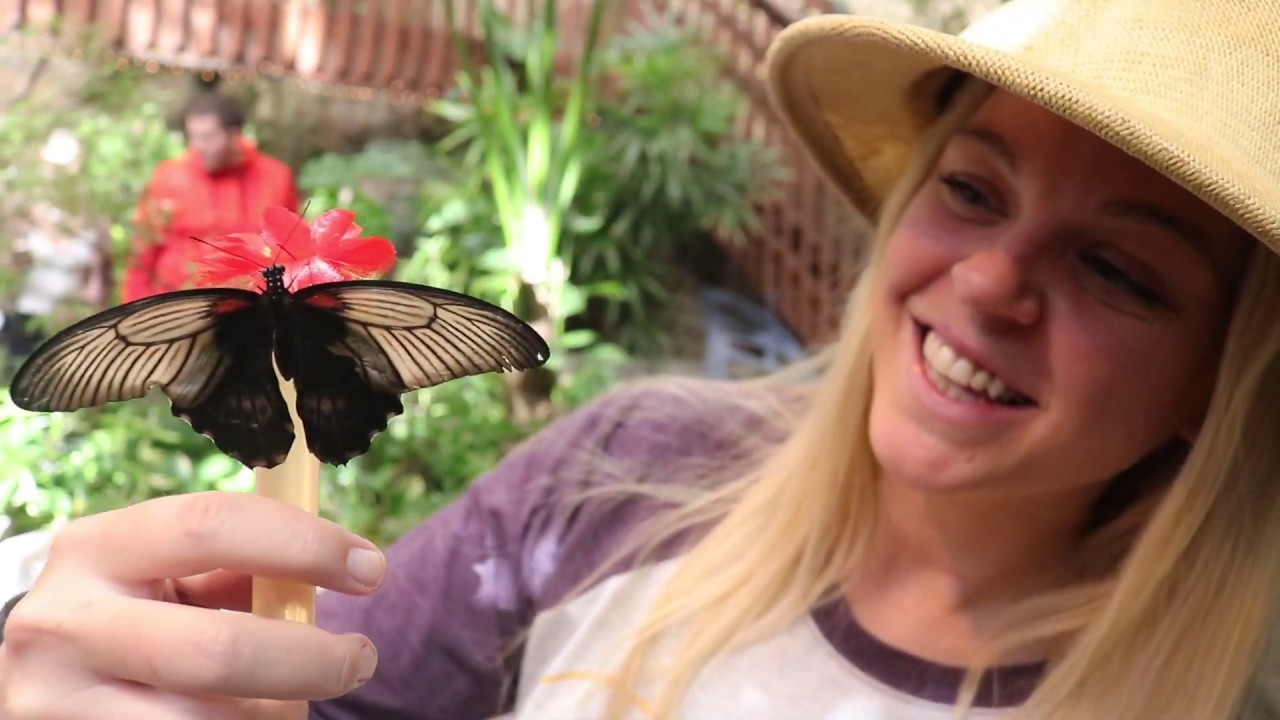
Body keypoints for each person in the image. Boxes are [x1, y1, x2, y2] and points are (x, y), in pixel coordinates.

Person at [3, 0, 1279, 718]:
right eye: (971, 188)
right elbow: (324, 697)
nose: (991, 281)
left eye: (1117, 270)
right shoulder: (633, 471)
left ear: (1220, 386)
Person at [122, 92, 299, 303]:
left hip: (250, 309)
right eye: (193, 137)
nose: (198, 147)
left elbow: (291, 252)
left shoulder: (276, 177)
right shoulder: (168, 176)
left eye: (207, 138)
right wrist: (136, 311)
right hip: (176, 307)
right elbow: (143, 251)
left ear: (234, 137)